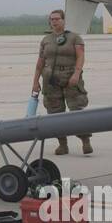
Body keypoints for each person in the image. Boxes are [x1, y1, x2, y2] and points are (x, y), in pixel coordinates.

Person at [31, 9, 92, 155]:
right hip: (50, 78)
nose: (54, 21)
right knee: (54, 112)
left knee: (76, 110)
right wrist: (35, 81)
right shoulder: (46, 40)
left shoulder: (75, 38)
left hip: (70, 76)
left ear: (64, 21)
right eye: (52, 19)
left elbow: (80, 57)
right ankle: (62, 145)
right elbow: (40, 62)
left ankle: (85, 141)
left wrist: (77, 73)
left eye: (57, 19)